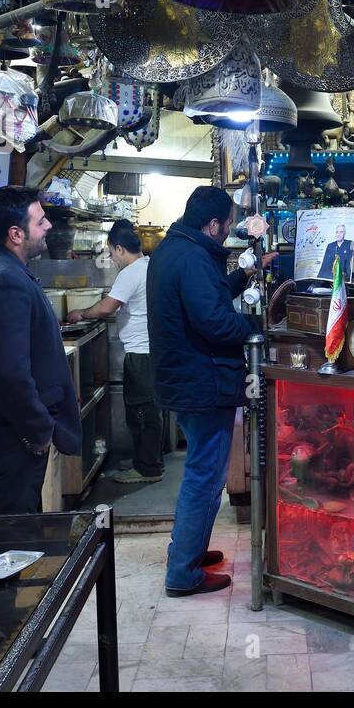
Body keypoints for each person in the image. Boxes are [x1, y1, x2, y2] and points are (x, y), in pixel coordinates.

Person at [148, 186, 273, 596]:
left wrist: (244, 275)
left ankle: (190, 552)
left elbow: (206, 299)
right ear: (213, 223)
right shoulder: (193, 258)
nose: (228, 233)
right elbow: (215, 322)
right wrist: (257, 331)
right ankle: (182, 572)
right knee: (204, 478)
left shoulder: (177, 250)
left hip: (186, 381)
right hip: (202, 382)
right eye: (227, 225)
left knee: (200, 474)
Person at [0, 186, 80, 514]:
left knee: (15, 532)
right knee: (12, 539)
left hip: (1, 431)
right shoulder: (5, 281)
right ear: (16, 234)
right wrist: (38, 432)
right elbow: (10, 373)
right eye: (40, 222)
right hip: (9, 437)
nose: (49, 226)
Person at [66, 219, 161, 484]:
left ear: (120, 249)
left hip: (140, 353)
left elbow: (107, 308)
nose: (112, 258)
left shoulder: (130, 273)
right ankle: (148, 460)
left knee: (142, 412)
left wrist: (81, 313)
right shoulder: (149, 266)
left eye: (111, 252)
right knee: (148, 411)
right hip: (150, 350)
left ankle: (147, 469)